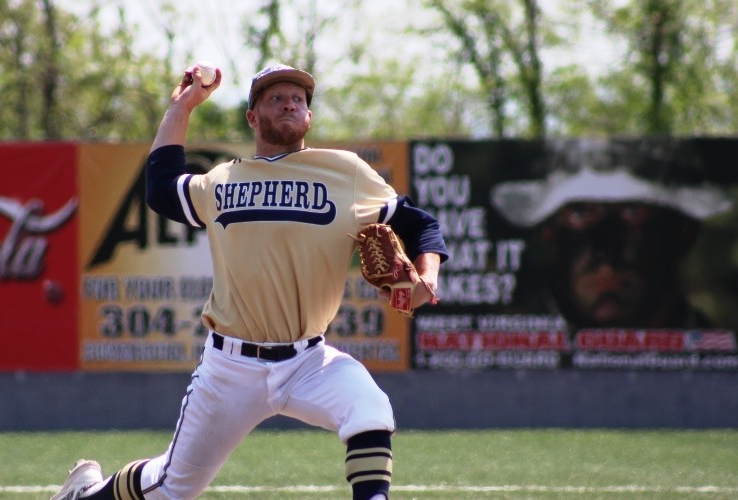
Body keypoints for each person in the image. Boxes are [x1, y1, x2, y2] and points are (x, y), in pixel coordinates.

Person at [51, 63, 448, 500]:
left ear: (309, 118)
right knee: (172, 488)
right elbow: (160, 188)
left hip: (307, 362)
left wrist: (428, 272)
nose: (290, 103)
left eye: (299, 98)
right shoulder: (224, 180)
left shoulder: (346, 174)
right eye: (275, 98)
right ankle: (87, 495)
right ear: (252, 117)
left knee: (369, 406)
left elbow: (419, 223)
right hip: (230, 368)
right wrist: (182, 106)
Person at [489, 139, 733, 330]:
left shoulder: (730, 356)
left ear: (683, 232)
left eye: (631, 212)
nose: (605, 248)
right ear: (550, 234)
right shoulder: (502, 358)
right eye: (582, 214)